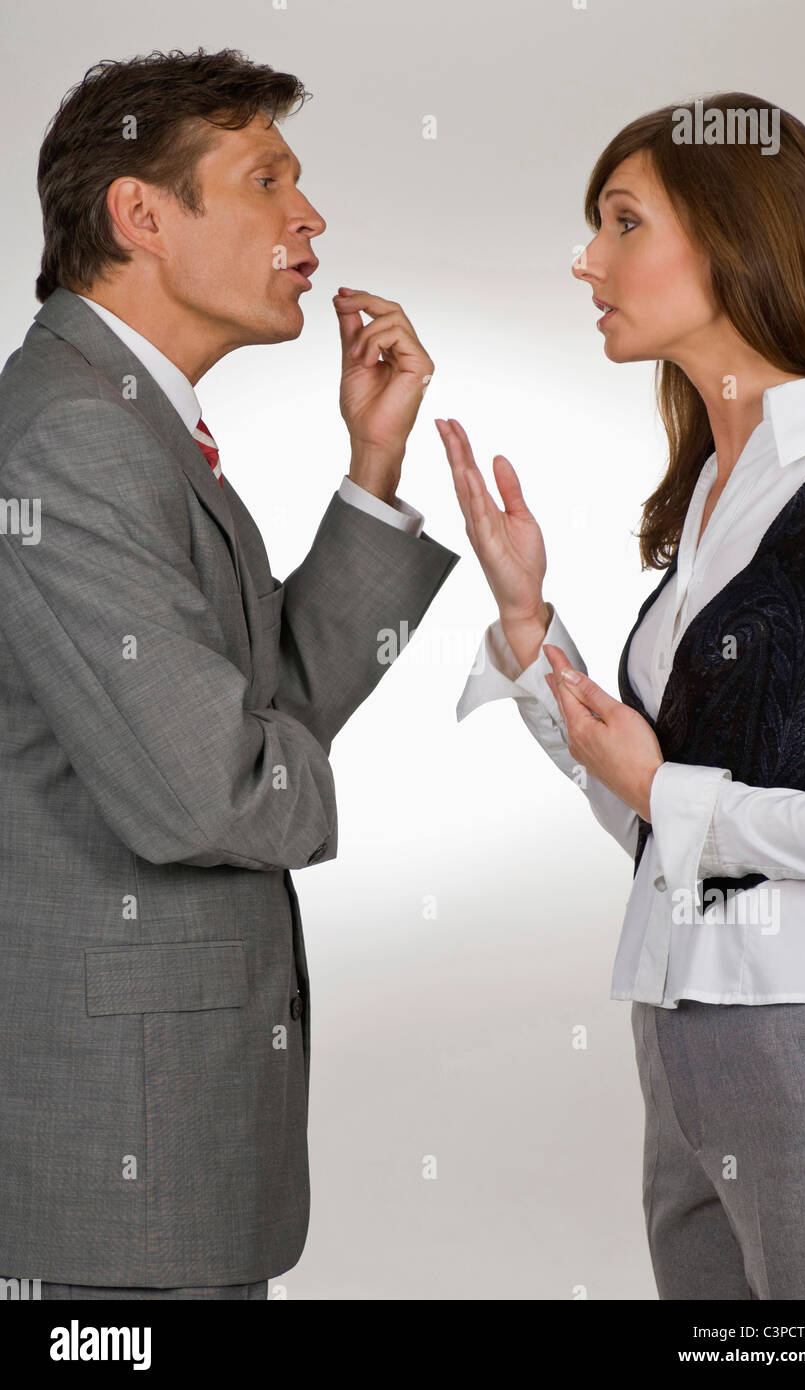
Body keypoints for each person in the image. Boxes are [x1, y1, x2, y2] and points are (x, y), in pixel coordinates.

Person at [0, 47, 459, 1299]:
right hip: (110, 1181)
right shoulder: (71, 440)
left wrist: (372, 470)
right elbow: (209, 792)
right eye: (267, 180)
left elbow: (260, 725)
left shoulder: (131, 422)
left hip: (164, 1157)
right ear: (139, 216)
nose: (308, 219)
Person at [439, 91, 805, 1301]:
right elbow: (649, 824)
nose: (586, 260)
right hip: (679, 1029)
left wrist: (677, 796)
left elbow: (676, 800)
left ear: (734, 233)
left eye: (622, 222)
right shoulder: (715, 491)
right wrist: (530, 627)